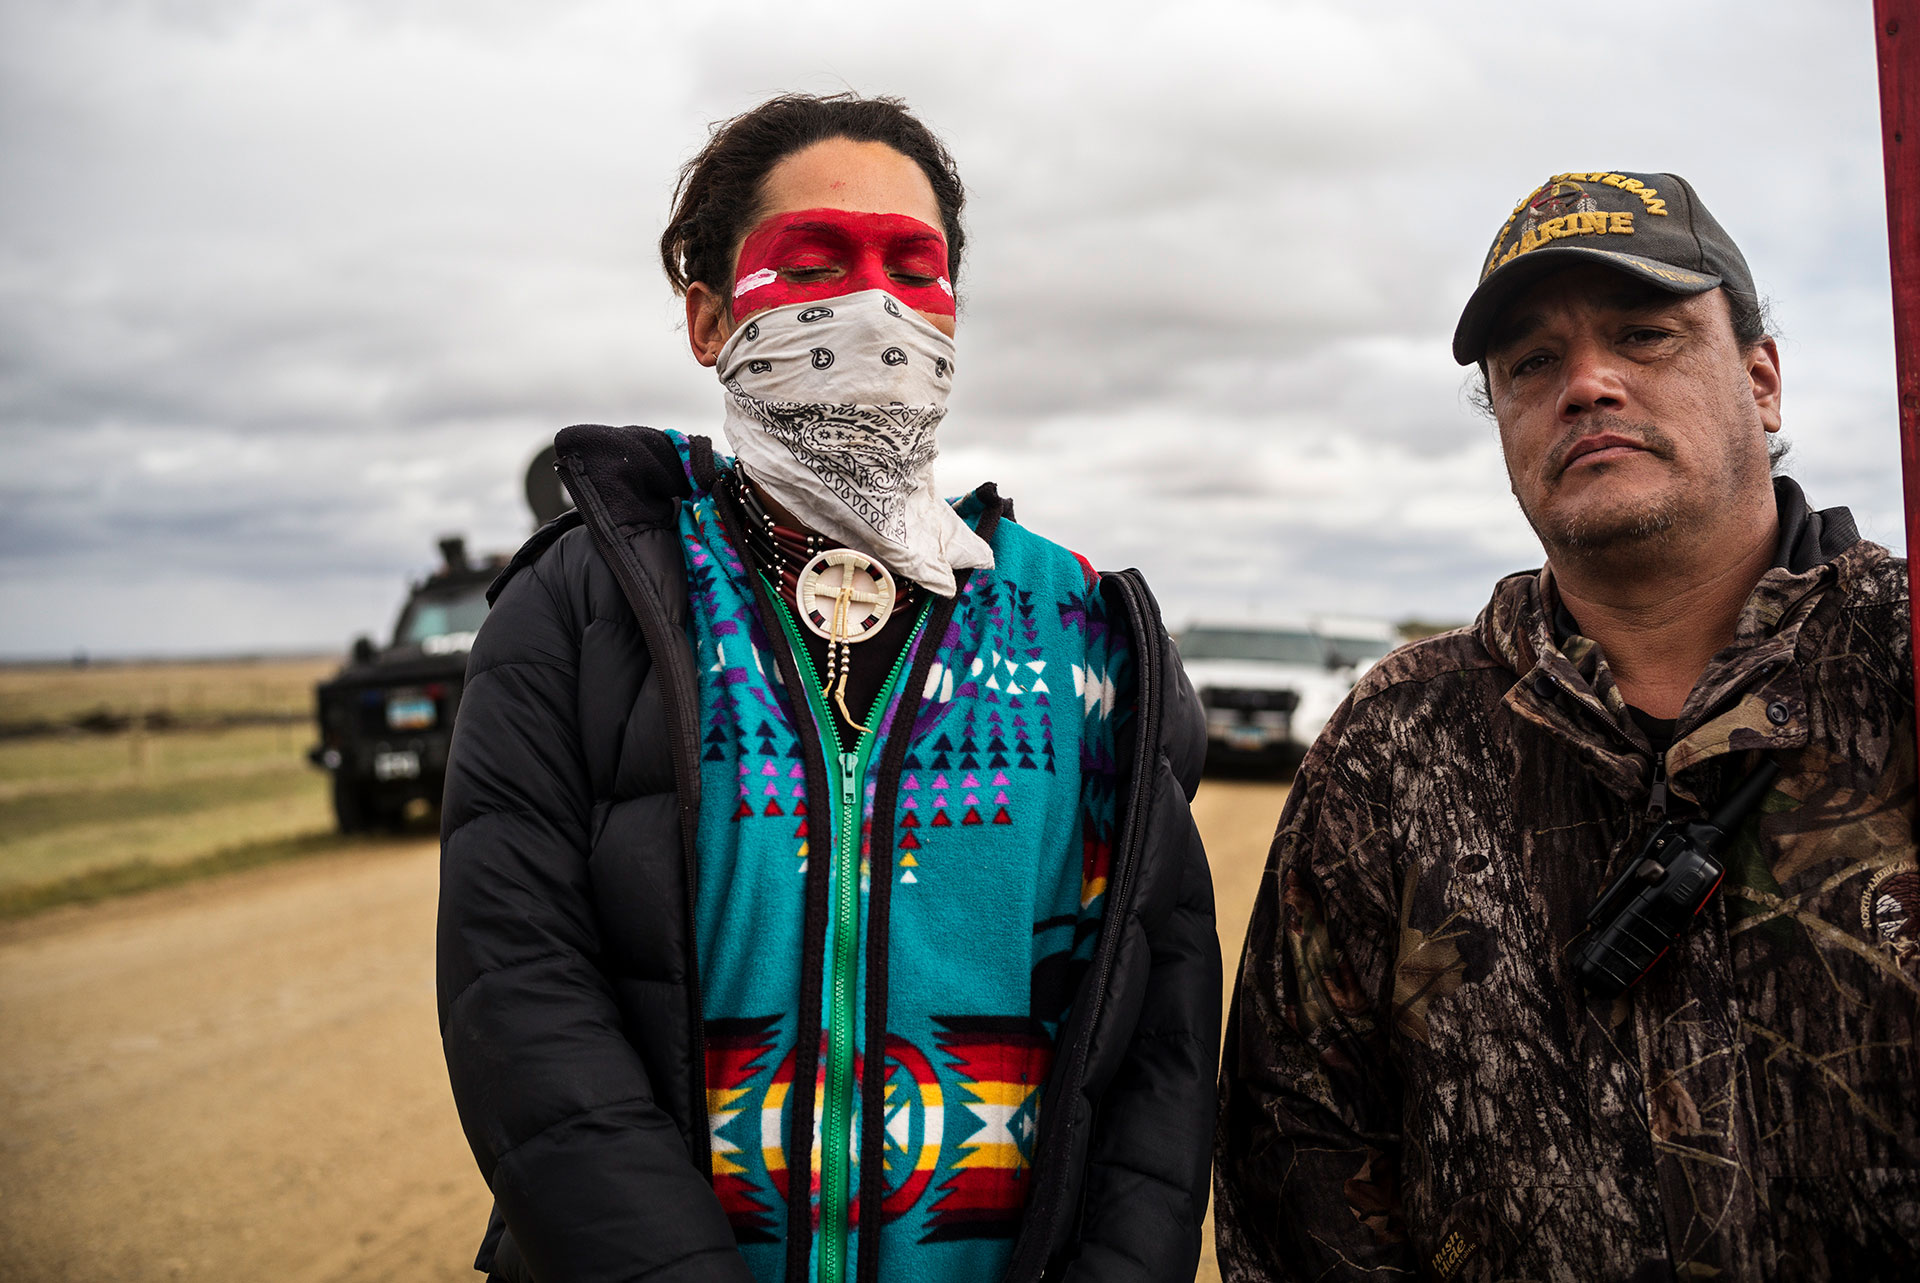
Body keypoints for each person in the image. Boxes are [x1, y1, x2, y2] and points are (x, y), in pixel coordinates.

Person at [437, 92, 1220, 1283]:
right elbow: (522, 996)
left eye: (915, 266)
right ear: (706, 317)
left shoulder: (1090, 634)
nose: (875, 304)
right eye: (813, 261)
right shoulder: (579, 609)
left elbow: (1156, 1051)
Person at [1214, 170, 1920, 1280]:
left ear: (1763, 379)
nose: (1587, 383)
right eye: (1532, 364)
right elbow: (1294, 1167)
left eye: (1646, 335)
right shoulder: (1394, 746)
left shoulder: (1903, 664)